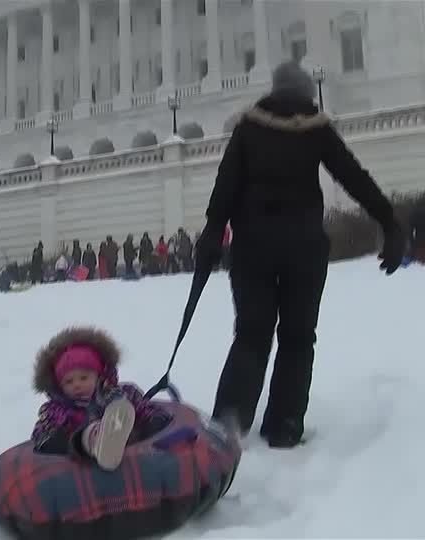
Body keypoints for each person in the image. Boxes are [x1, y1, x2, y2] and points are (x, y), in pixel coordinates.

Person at [196, 61, 405, 449]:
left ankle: (230, 419)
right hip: (303, 247)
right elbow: (352, 175)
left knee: (251, 333)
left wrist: (212, 233)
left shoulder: (248, 127)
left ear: (274, 90)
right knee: (297, 336)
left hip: (252, 246)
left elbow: (226, 184)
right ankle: (285, 423)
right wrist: (388, 222)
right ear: (308, 93)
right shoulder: (316, 129)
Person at [30, 326, 172, 470]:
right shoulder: (56, 409)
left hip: (128, 440)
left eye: (83, 378)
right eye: (69, 382)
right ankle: (102, 442)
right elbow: (41, 432)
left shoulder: (120, 394)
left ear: (99, 376)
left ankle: (114, 432)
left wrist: (153, 420)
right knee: (85, 435)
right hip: (82, 449)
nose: (77, 385)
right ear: (60, 386)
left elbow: (144, 407)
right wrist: (52, 440)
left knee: (123, 410)